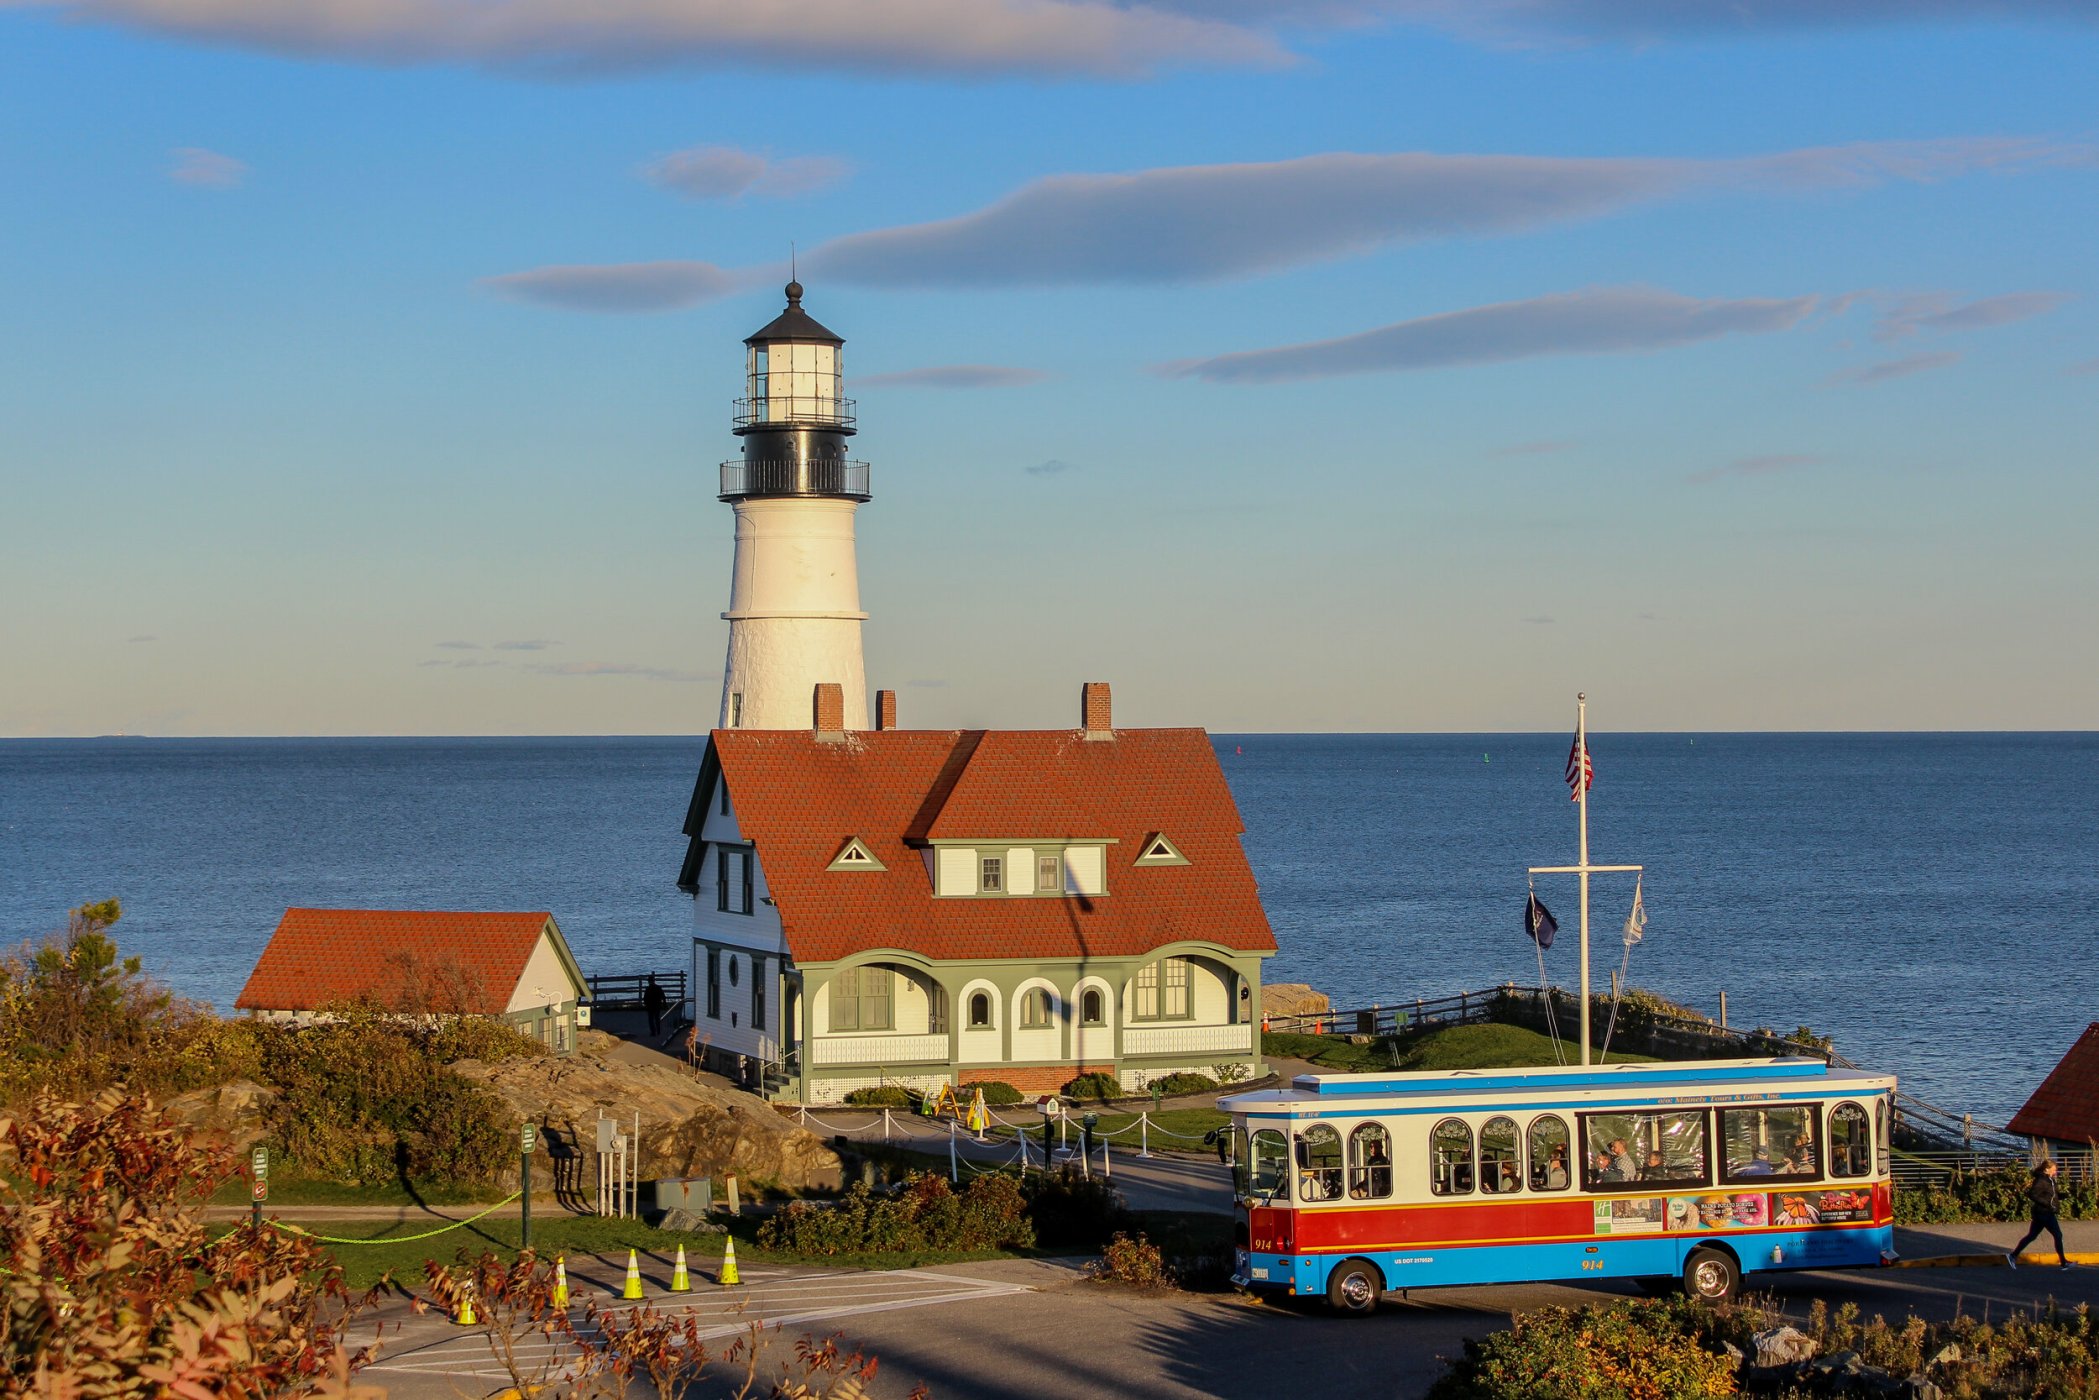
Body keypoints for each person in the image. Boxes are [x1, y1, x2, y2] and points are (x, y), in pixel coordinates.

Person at [2007, 1160, 2073, 1271]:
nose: (2055, 1171)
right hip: (2044, 1212)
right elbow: (2032, 1194)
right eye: (2054, 1169)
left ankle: (2013, 1255)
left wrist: (2062, 1195)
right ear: (2046, 1169)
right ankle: (2063, 1262)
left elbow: (2051, 1195)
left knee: (2032, 1236)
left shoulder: (2050, 1180)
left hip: (2045, 1212)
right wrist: (2047, 1204)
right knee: (2058, 1235)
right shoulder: (2041, 1180)